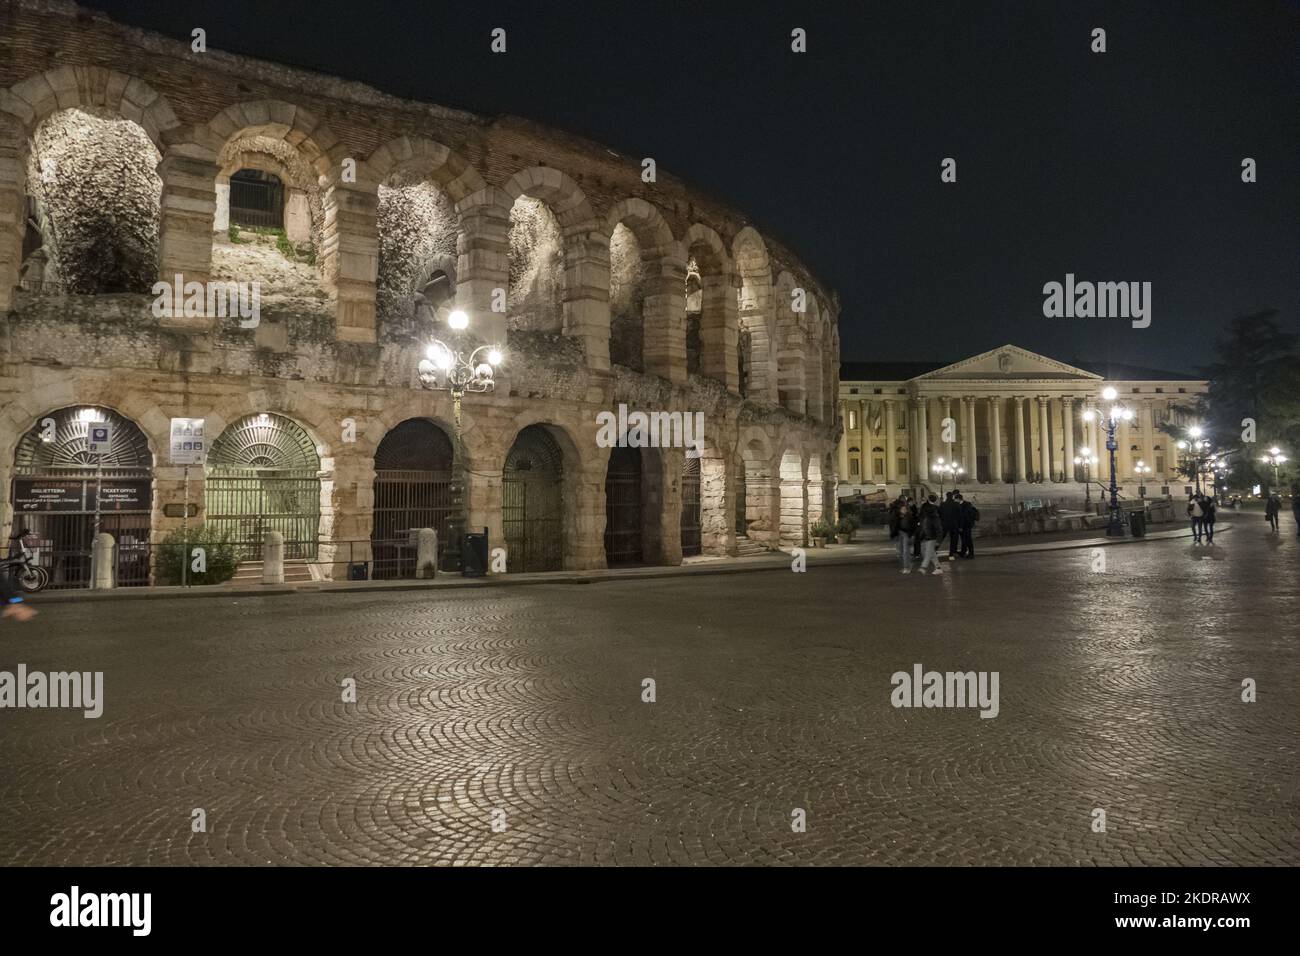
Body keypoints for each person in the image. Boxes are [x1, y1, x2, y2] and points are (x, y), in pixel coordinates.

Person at [889, 495, 918, 573]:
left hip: (906, 534)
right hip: (900, 534)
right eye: (902, 509)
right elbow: (894, 525)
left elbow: (913, 526)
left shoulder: (909, 516)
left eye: (905, 509)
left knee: (905, 551)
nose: (904, 510)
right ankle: (906, 566)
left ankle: (907, 567)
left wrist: (912, 535)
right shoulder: (898, 516)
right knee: (901, 552)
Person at [918, 493, 944, 575]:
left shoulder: (933, 517)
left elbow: (939, 528)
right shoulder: (927, 516)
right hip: (927, 535)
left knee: (928, 552)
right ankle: (938, 567)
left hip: (932, 536)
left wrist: (939, 540)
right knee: (931, 552)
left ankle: (923, 567)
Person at [940, 490, 962, 559]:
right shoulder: (956, 504)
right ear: (952, 496)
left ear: (946, 496)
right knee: (953, 539)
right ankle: (951, 554)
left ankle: (933, 551)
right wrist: (960, 525)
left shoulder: (942, 504)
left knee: (940, 538)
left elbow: (940, 514)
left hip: (945, 524)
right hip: (954, 524)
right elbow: (959, 515)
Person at [958, 494, 980, 558]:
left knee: (968, 540)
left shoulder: (963, 506)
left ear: (959, 499)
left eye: (955, 499)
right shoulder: (968, 504)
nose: (955, 500)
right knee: (965, 539)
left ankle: (971, 554)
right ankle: (964, 552)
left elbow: (963, 517)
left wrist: (961, 527)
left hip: (966, 525)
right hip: (968, 524)